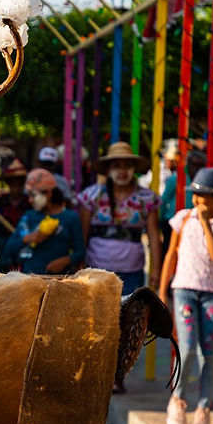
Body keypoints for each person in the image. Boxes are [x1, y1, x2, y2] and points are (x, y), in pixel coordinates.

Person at [159, 168, 213, 424]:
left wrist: (205, 223)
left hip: (212, 293)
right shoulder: (182, 218)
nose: (198, 200)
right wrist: (162, 289)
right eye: (196, 194)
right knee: (187, 346)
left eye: (205, 195)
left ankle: (204, 408)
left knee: (208, 351)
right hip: (183, 289)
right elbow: (171, 254)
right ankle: (177, 399)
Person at [78, 142, 162, 393]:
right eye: (117, 165)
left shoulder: (147, 198)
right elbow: (82, 234)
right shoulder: (91, 196)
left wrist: (156, 269)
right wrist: (79, 266)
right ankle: (97, 371)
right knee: (99, 320)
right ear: (108, 168)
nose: (122, 170)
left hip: (132, 269)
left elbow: (154, 236)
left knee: (128, 321)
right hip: (98, 268)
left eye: (127, 165)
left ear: (134, 169)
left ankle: (117, 374)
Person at [4, 168, 84, 274]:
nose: (30, 200)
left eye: (33, 195)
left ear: (49, 193)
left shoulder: (71, 217)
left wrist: (66, 261)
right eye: (29, 196)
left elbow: (80, 252)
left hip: (59, 281)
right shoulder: (28, 216)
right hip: (29, 280)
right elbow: (8, 249)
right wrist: (27, 239)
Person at [0, 158, 31, 271]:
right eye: (13, 185)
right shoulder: (0, 203)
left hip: (23, 245)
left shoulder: (29, 203)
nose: (16, 189)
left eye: (19, 185)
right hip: (3, 245)